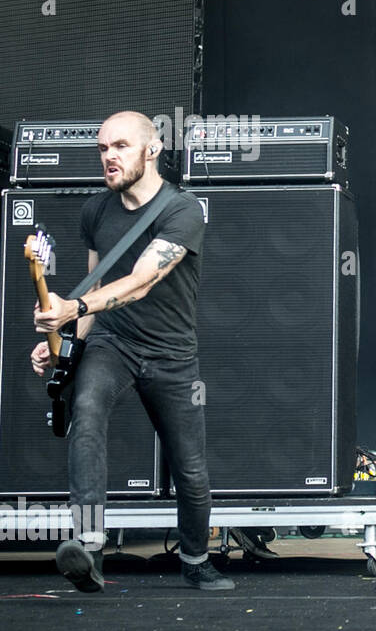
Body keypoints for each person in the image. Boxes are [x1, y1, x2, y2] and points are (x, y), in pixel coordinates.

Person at [31, 111, 233, 591]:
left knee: (191, 468)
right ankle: (89, 546)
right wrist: (64, 347)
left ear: (153, 148)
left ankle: (196, 558)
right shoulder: (95, 211)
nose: (109, 157)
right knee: (86, 407)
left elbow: (141, 281)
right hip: (113, 341)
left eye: (120, 146)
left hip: (172, 353)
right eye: (103, 149)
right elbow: (97, 287)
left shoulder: (182, 210)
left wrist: (71, 305)